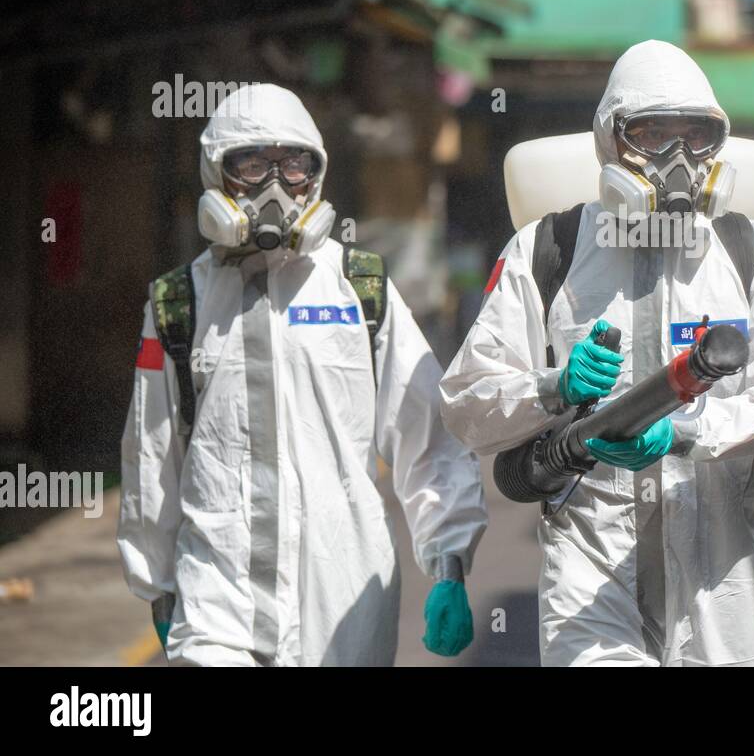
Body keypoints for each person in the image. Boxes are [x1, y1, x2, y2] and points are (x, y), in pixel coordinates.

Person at [440, 40, 754, 666]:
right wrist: (552, 388)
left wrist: (683, 431)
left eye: (696, 138)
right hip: (590, 568)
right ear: (610, 141)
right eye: (652, 134)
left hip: (721, 575)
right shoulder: (546, 252)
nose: (678, 159)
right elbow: (466, 405)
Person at [117, 83, 487, 666]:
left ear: (316, 175)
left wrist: (449, 560)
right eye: (251, 164)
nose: (274, 185)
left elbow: (426, 431)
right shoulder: (177, 303)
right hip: (218, 600)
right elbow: (150, 454)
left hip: (343, 600)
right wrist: (158, 583)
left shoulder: (360, 290)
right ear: (217, 174)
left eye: (293, 165)